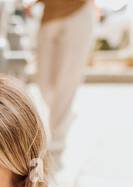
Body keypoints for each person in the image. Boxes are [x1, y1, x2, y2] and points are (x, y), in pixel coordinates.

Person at [33, 0, 96, 164]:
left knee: (67, 80)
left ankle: (58, 140)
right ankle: (64, 116)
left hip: (79, 12)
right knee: (44, 83)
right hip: (50, 14)